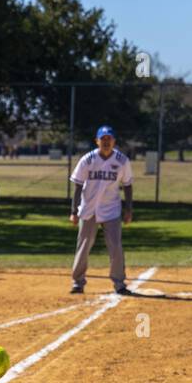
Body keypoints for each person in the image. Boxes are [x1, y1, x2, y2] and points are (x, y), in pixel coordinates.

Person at [69, 125, 133, 295]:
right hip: (88, 209)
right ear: (96, 141)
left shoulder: (122, 161)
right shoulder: (88, 160)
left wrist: (128, 210)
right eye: (103, 139)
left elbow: (127, 185)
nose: (106, 142)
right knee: (83, 246)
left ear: (114, 141)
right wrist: (74, 211)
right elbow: (78, 185)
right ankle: (78, 282)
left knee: (115, 247)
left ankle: (119, 283)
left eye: (109, 139)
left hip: (111, 210)